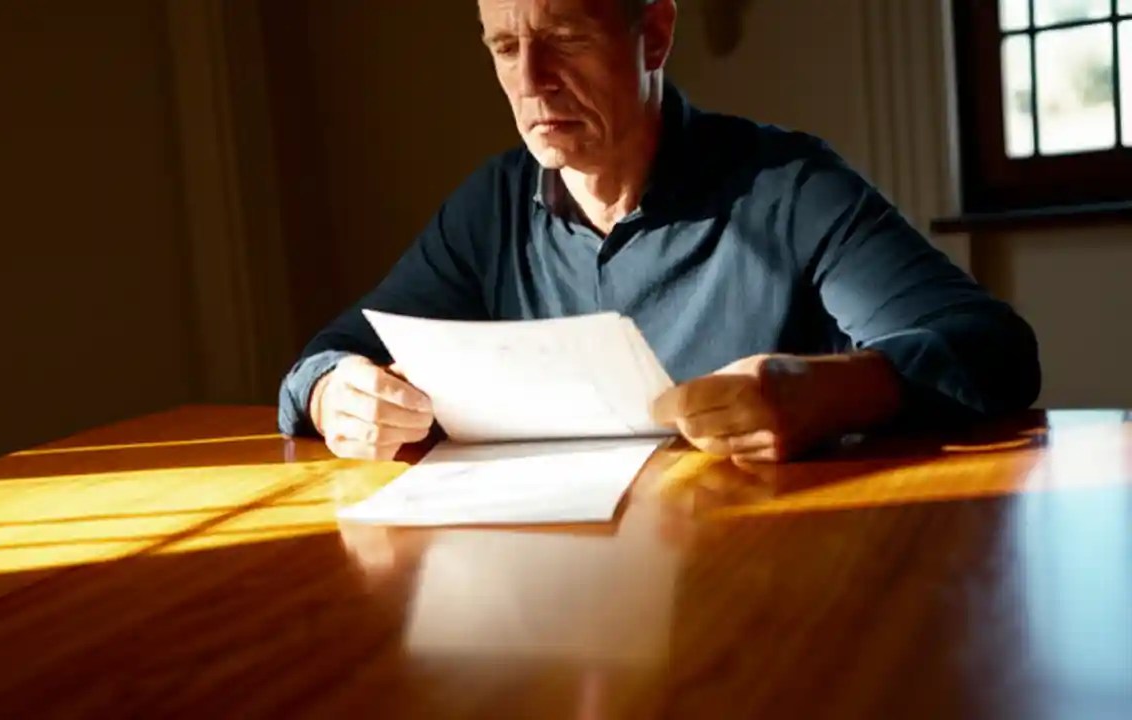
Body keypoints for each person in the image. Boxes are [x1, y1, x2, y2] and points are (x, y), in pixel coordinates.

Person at [277, 0, 1041, 462]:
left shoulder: (787, 187)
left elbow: (994, 349)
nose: (531, 80)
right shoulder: (490, 210)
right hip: (560, 606)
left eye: (566, 37)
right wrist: (331, 395)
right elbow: (328, 355)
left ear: (655, 34)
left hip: (769, 585)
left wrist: (834, 392)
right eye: (505, 47)